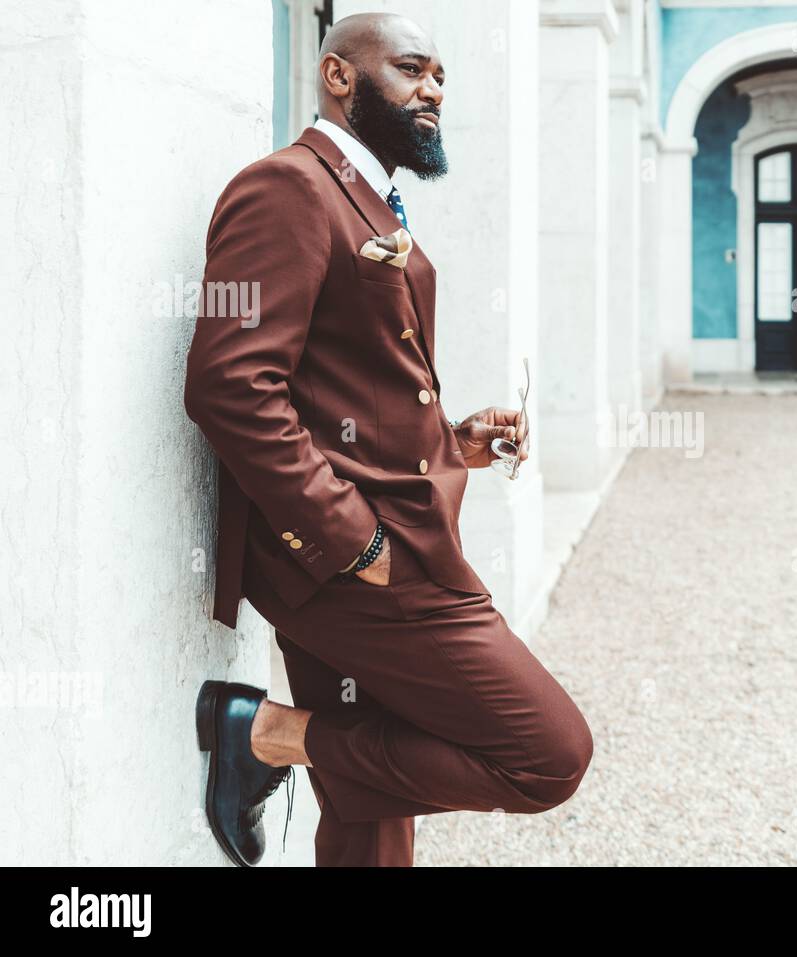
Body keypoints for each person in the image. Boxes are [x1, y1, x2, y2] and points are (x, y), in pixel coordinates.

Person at [185, 11, 592, 867]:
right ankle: (260, 734)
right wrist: (353, 539)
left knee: (371, 806)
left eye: (441, 74)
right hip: (358, 560)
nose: (433, 89)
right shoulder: (289, 187)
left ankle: (276, 742)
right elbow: (232, 384)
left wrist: (453, 439)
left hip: (388, 532)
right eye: (411, 69)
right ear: (339, 76)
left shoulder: (365, 193)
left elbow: (350, 383)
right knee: (549, 754)